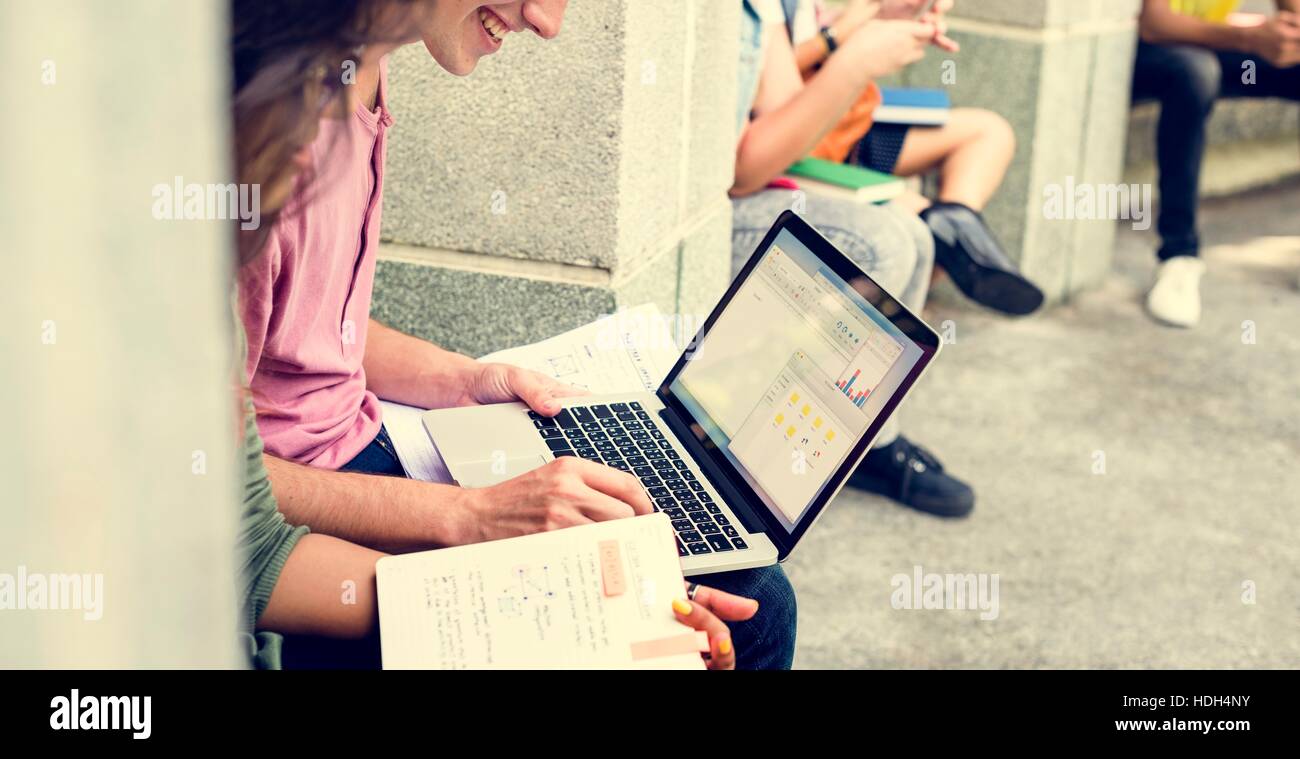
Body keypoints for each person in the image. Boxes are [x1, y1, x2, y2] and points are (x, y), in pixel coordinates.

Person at [237, 0, 798, 669]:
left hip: (359, 450)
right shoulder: (262, 130)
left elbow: (306, 324)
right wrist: (477, 530)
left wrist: (467, 379)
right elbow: (232, 514)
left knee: (723, 597)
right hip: (303, 515)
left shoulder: (365, 72)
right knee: (736, 611)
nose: (547, 20)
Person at [732, 0, 975, 518]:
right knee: (877, 243)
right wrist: (852, 54)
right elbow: (744, 173)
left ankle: (863, 441)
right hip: (710, 208)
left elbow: (786, 113)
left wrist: (875, 28)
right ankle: (761, 477)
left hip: (788, 170)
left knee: (914, 235)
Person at [781, 0, 1042, 317]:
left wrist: (888, 19)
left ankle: (955, 223)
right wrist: (840, 36)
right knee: (916, 224)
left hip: (849, 129)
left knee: (990, 132)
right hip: (804, 147)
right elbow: (773, 81)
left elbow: (814, 32)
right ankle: (947, 250)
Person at [1134, 0, 1300, 327]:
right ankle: (1178, 257)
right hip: (1137, 48)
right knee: (1194, 74)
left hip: (1215, 46)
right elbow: (1154, 24)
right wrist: (1250, 38)